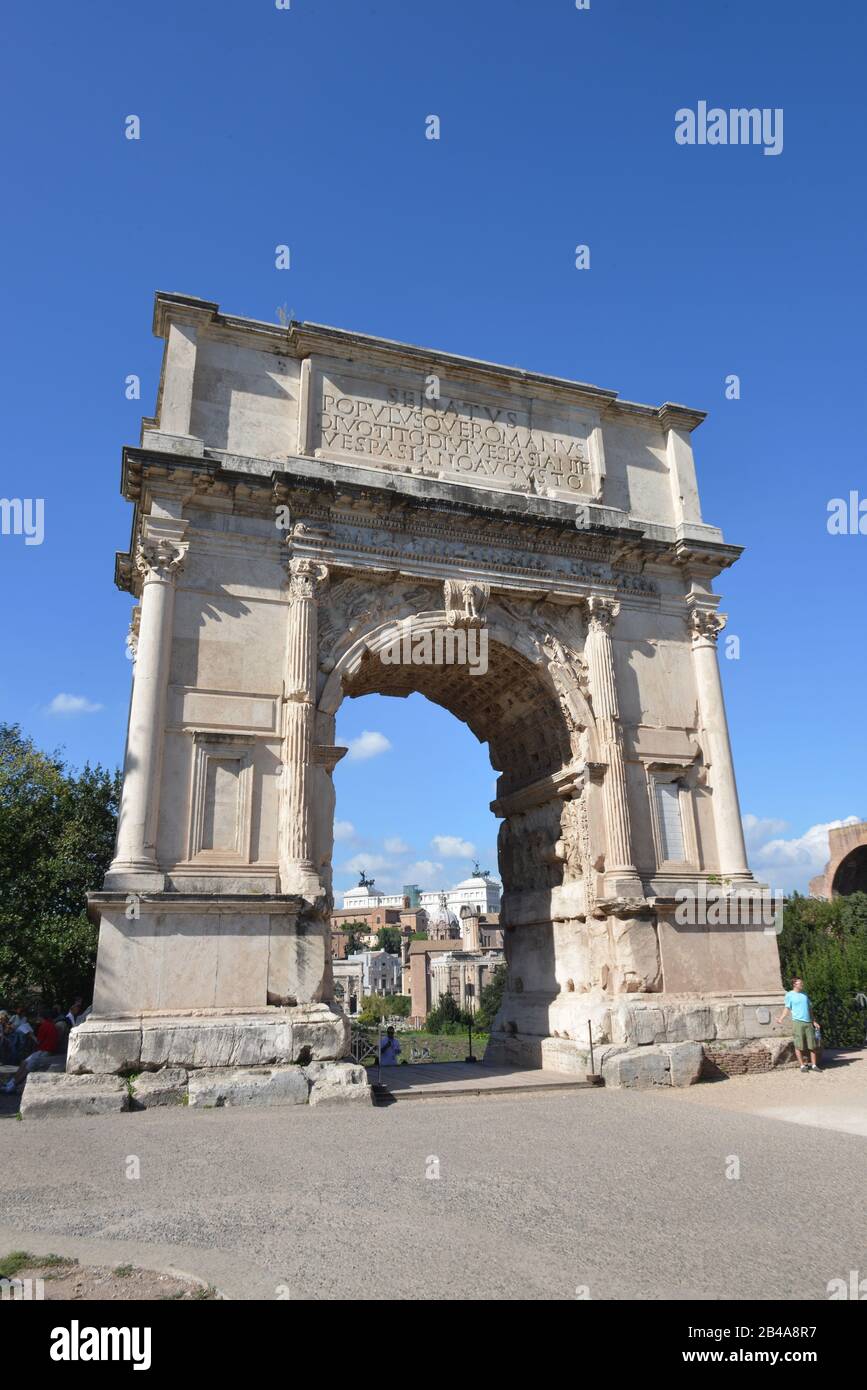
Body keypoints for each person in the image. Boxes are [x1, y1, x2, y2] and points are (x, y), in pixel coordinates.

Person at [2, 1009, 60, 1093]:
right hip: (43, 1050)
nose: (37, 1018)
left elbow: (38, 1042)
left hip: (44, 1051)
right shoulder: (51, 1025)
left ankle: (11, 1087)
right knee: (23, 1062)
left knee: (27, 1068)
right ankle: (10, 1083)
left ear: (41, 1017)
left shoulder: (44, 1026)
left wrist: (31, 1035)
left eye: (38, 1016)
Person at [776, 977, 820, 1072]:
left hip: (808, 1022)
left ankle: (814, 1065)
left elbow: (810, 1009)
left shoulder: (805, 995)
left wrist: (814, 1021)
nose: (802, 985)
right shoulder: (789, 995)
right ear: (794, 984)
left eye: (802, 983)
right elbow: (787, 1008)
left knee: (812, 1045)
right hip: (798, 1022)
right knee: (798, 1045)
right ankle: (802, 1066)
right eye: (800, 983)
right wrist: (781, 1018)